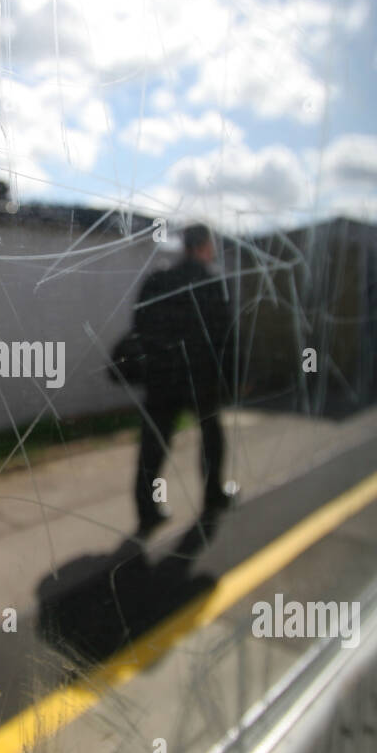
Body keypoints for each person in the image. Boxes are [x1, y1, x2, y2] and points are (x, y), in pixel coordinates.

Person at [131, 224, 235, 537]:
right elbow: (226, 337)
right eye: (211, 244)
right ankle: (212, 495)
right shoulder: (213, 282)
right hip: (200, 379)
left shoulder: (158, 280)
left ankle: (147, 510)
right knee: (211, 436)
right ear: (203, 245)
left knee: (154, 443)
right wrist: (231, 378)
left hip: (162, 378)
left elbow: (140, 325)